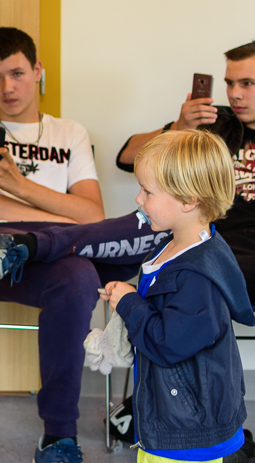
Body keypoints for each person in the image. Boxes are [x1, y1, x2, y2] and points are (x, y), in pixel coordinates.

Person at [0, 26, 150, 463]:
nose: (8, 87)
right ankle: (60, 435)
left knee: (138, 235)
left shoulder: (69, 132)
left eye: (17, 73)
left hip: (63, 251)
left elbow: (92, 212)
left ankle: (58, 437)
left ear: (38, 71)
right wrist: (65, 221)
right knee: (83, 265)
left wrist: (18, 186)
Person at [102, 130, 254, 462]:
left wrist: (129, 303)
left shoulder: (197, 277)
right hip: (172, 414)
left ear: (188, 200)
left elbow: (167, 343)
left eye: (147, 191)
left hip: (187, 433)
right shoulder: (179, 245)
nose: (139, 200)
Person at [115, 41, 255, 304]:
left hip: (229, 256)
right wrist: (180, 126)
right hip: (199, 238)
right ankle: (37, 246)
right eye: (230, 83)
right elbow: (125, 157)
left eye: (247, 83)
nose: (234, 94)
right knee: (115, 235)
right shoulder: (214, 121)